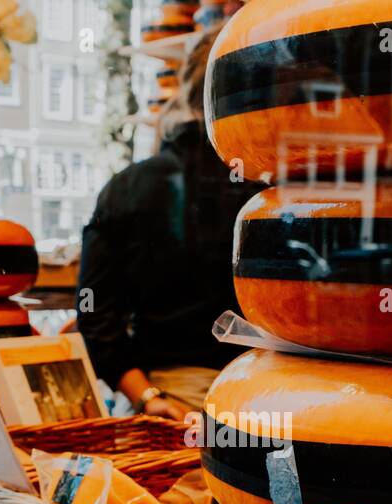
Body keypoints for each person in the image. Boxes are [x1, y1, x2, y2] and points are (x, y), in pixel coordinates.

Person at [76, 30, 264, 421]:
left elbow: (95, 314)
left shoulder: (127, 186)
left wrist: (146, 397)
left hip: (169, 401)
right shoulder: (273, 187)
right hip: (264, 396)